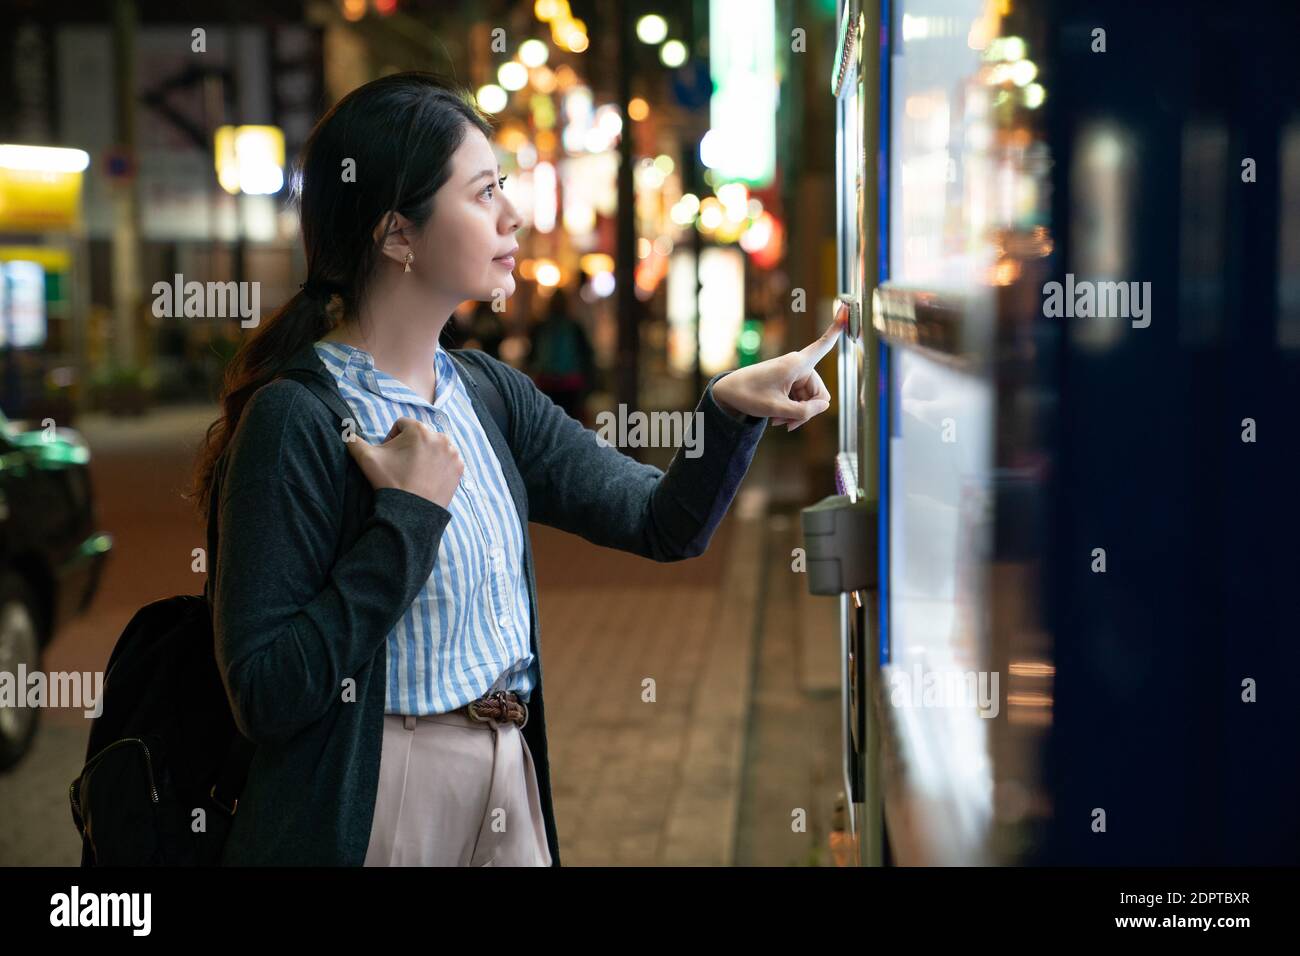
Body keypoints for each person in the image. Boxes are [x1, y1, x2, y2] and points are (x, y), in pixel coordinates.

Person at [187, 70, 836, 867]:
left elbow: (662, 522)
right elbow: (265, 692)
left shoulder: (490, 394)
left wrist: (730, 409)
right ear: (398, 235)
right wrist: (406, 522)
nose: (513, 214)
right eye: (484, 191)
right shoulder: (298, 420)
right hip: (377, 798)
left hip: (507, 773)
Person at [527, 287, 595, 423]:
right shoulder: (545, 327)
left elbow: (531, 356)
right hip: (554, 382)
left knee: (553, 422)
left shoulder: (569, 327)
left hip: (564, 383)